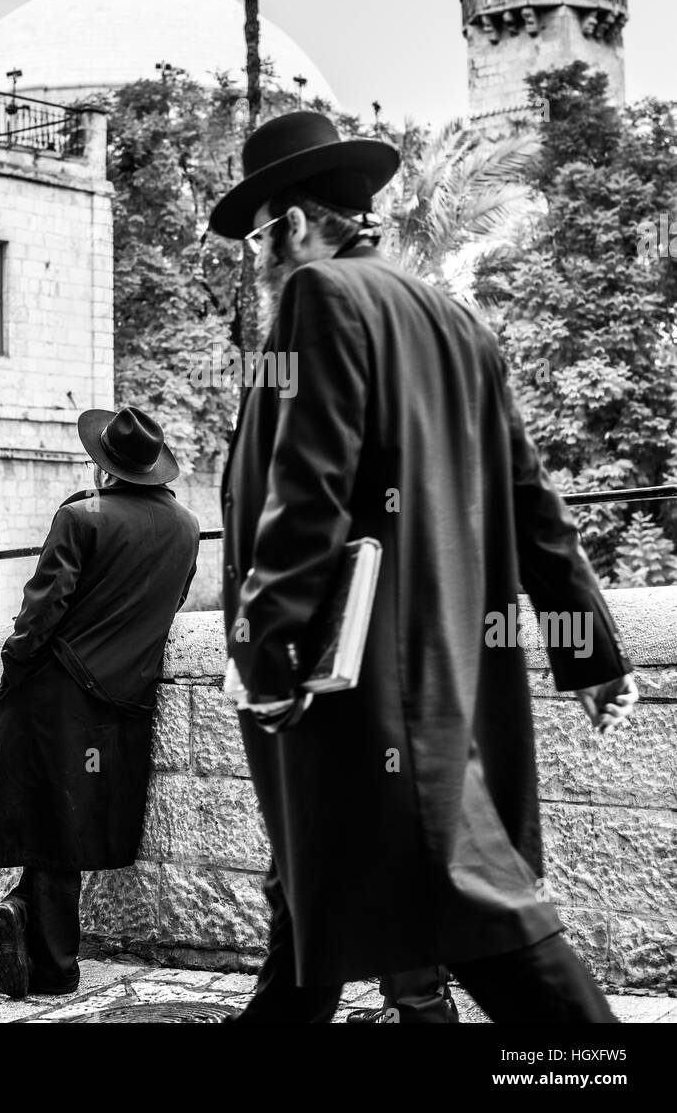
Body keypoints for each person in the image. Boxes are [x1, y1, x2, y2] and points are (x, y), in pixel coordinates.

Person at [209, 110, 638, 1025]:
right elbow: (531, 503)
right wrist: (591, 652)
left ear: (290, 224)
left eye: (258, 235)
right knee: (307, 914)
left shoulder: (319, 296)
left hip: (367, 694)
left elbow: (308, 492)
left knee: (483, 915)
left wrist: (270, 655)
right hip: (439, 672)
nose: (257, 256)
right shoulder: (457, 318)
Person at [0, 405, 199, 998]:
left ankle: (53, 965)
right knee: (67, 819)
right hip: (126, 699)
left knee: (49, 821)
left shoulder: (81, 516)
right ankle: (29, 925)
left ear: (103, 465)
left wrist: (17, 657)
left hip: (55, 690)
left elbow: (44, 606)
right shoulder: (189, 526)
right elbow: (168, 607)